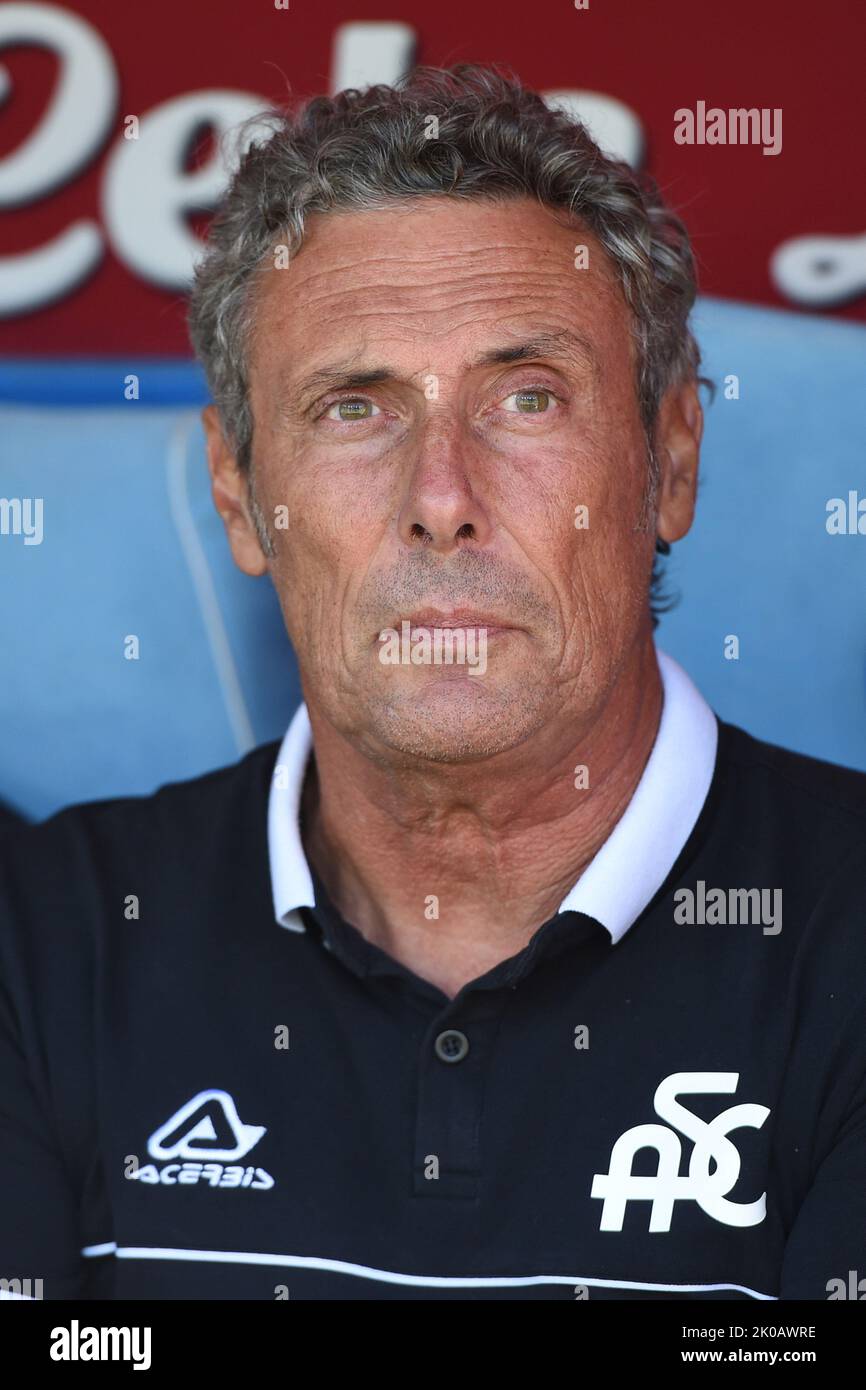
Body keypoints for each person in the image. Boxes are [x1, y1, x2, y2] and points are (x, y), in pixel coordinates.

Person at [1, 64, 864, 1302]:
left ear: (669, 458)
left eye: (525, 397)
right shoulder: (44, 940)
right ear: (240, 492)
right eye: (354, 408)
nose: (441, 501)